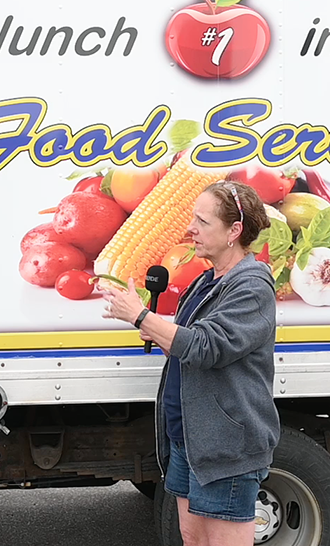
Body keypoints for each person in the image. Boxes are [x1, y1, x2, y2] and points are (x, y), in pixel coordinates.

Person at [102, 180, 278, 546]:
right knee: (192, 539)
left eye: (202, 221)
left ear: (234, 231)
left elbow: (207, 346)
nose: (190, 229)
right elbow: (188, 350)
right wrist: (162, 335)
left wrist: (142, 319)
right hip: (191, 437)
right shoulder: (206, 280)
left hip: (225, 443)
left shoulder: (252, 286)